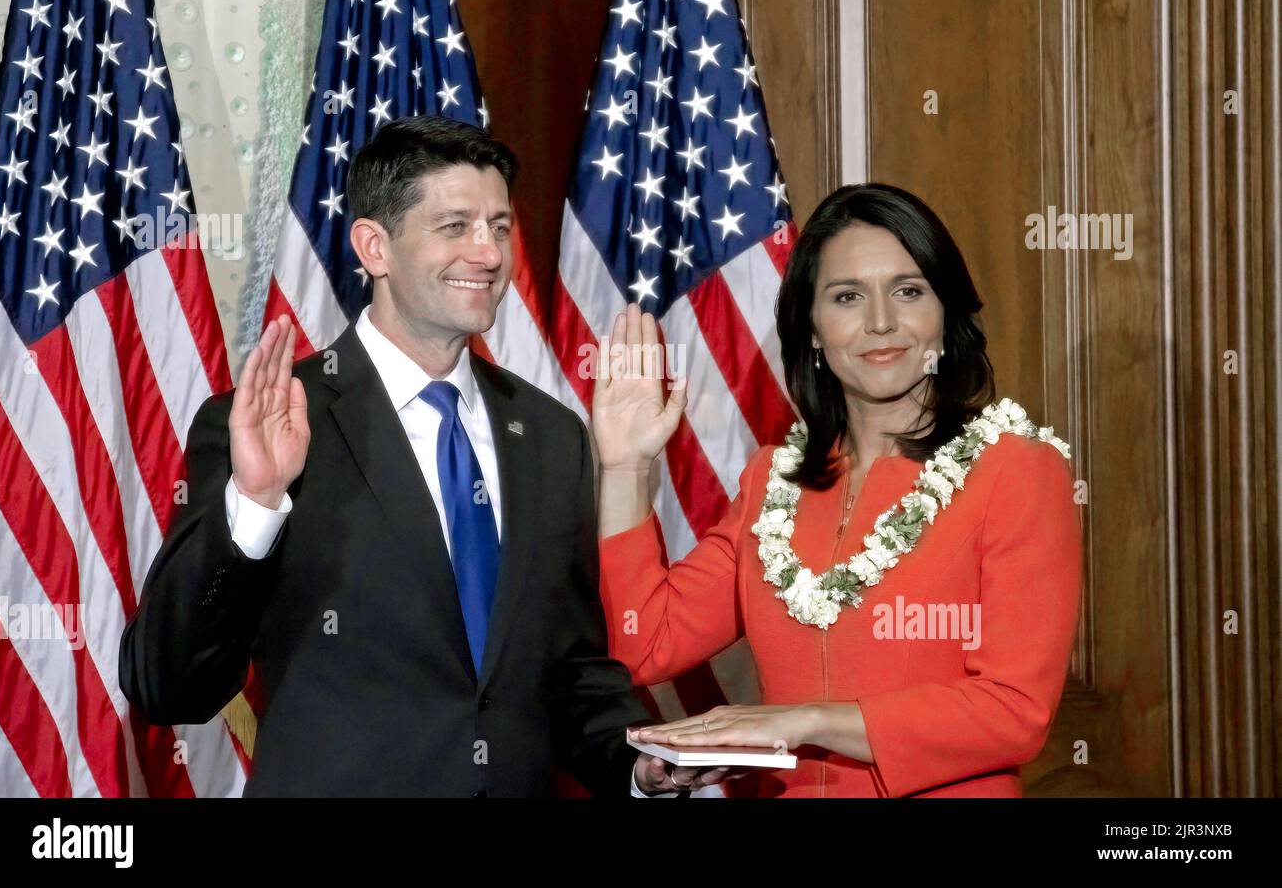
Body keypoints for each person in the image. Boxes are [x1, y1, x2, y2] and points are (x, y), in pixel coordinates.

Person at [120, 115, 725, 796]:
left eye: (498, 226)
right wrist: (255, 506)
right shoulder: (271, 423)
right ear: (374, 247)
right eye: (455, 226)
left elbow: (568, 670)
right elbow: (164, 682)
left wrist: (638, 762)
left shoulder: (551, 433)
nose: (489, 253)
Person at [595, 183, 1083, 797]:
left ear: (945, 315)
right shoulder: (770, 482)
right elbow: (645, 645)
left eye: (908, 291)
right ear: (814, 331)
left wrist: (805, 721)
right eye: (847, 297)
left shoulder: (1017, 469)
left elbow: (1013, 713)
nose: (881, 322)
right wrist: (624, 469)